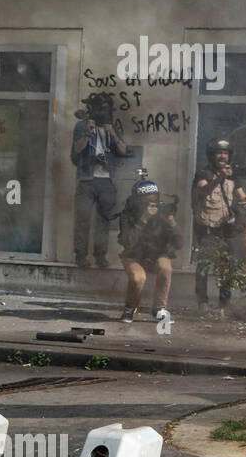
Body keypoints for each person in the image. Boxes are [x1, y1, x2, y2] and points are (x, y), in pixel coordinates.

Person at [192, 137, 246, 312]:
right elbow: (204, 190)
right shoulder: (203, 173)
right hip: (208, 228)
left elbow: (242, 196)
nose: (222, 156)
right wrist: (219, 178)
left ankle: (224, 304)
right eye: (219, 153)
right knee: (204, 265)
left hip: (226, 229)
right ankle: (202, 302)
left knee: (228, 265)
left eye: (225, 153)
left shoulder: (232, 175)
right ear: (212, 155)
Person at [70, 93, 130, 268]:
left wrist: (111, 132)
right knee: (82, 219)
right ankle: (80, 256)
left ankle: (100, 256)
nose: (103, 113)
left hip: (106, 180)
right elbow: (76, 150)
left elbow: (124, 150)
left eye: (106, 109)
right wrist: (88, 133)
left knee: (104, 220)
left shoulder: (111, 128)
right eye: (100, 109)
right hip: (87, 179)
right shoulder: (82, 126)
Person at [118, 179, 180, 323]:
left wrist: (172, 223)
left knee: (165, 267)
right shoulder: (127, 215)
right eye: (146, 201)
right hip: (133, 255)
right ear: (137, 201)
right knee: (138, 278)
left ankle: (159, 309)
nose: (151, 204)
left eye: (154, 200)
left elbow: (178, 243)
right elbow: (128, 242)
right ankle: (129, 308)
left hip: (156, 254)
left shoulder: (162, 213)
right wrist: (144, 219)